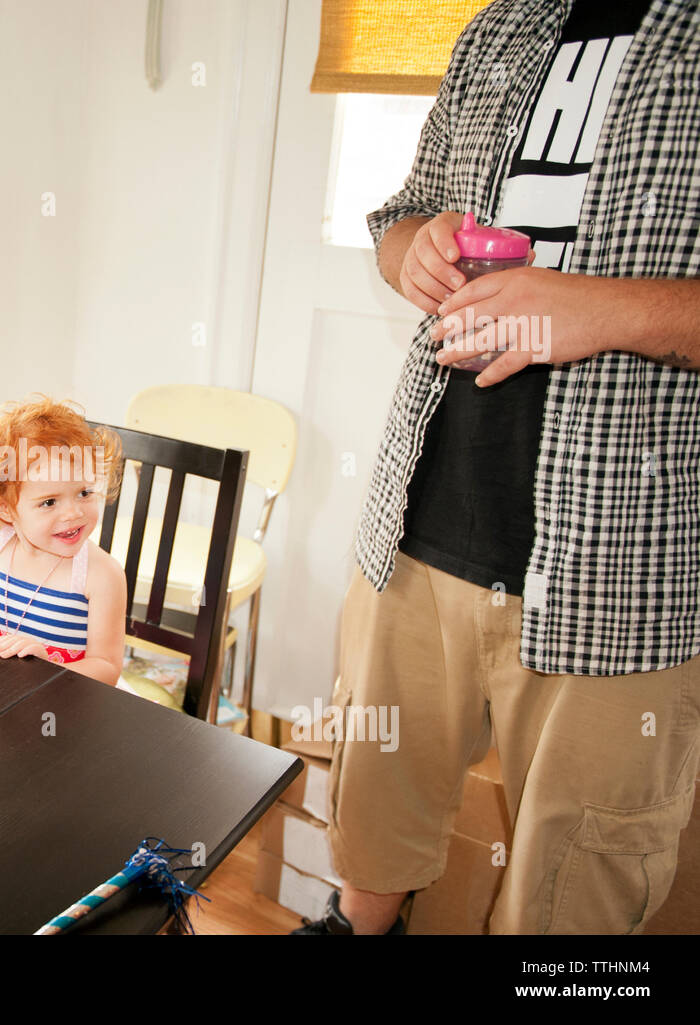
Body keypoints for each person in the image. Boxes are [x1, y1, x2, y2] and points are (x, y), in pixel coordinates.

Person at [298, 0, 700, 936]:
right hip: (414, 522)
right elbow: (400, 219)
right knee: (372, 804)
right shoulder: (499, 26)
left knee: (580, 884)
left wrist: (607, 312)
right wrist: (416, 255)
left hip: (620, 568)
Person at [0, 396, 127, 686]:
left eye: (84, 492)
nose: (73, 513)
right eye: (49, 502)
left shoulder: (101, 575)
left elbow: (107, 668)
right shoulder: (2, 535)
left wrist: (47, 665)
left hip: (63, 707)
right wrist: (10, 428)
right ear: (5, 509)